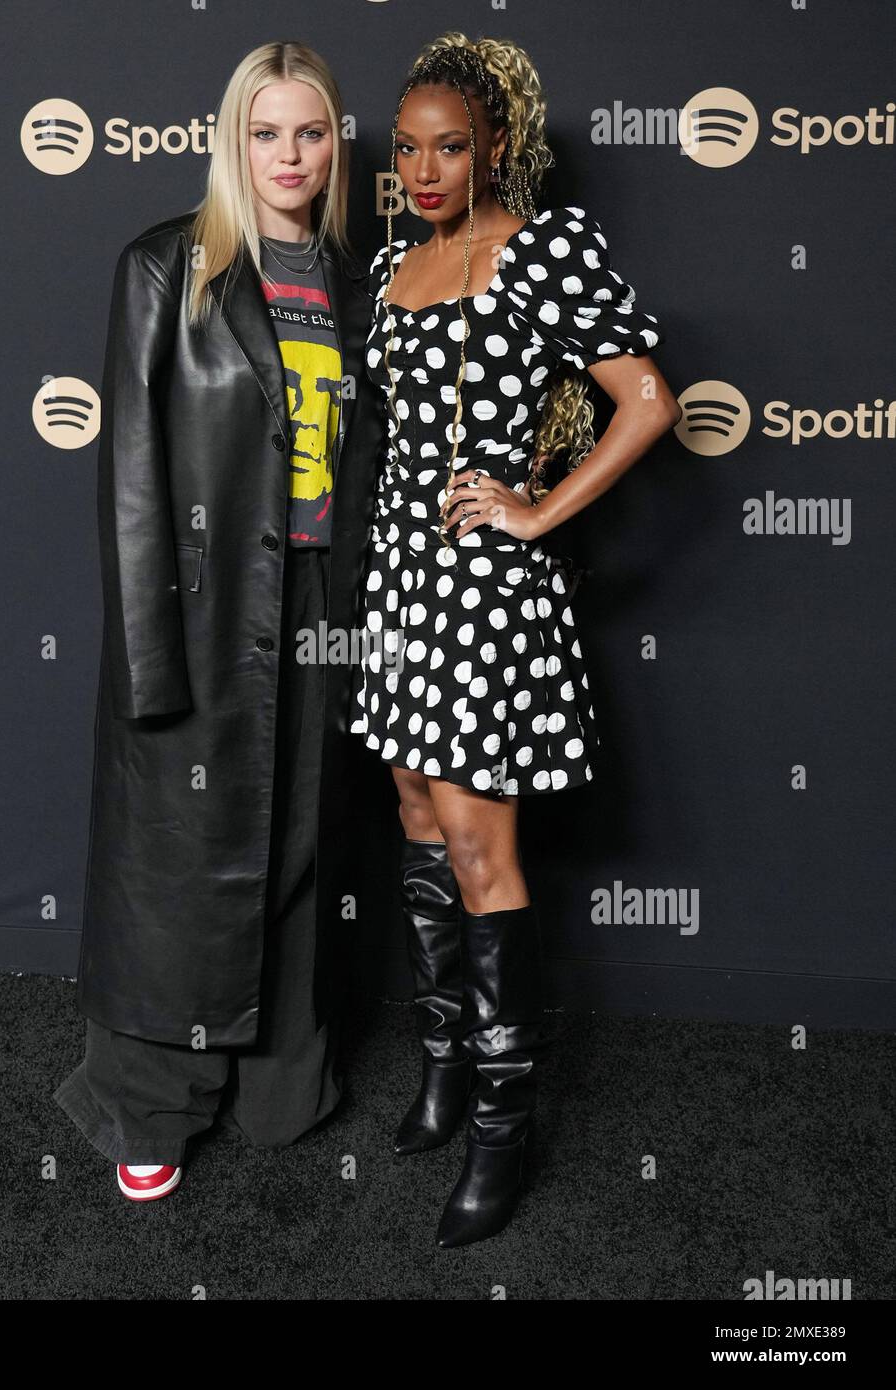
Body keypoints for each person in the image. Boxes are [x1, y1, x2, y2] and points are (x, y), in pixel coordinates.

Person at [350, 31, 682, 1246]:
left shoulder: (540, 251)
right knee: (418, 821)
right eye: (408, 150)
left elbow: (645, 400)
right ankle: (442, 1069)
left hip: (486, 595)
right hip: (396, 589)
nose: (425, 169)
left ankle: (503, 1127)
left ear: (496, 145)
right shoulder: (390, 260)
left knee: (485, 852)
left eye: (450, 146)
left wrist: (533, 508)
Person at [54, 40, 384, 1203]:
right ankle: (149, 1100)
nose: (288, 156)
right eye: (265, 133)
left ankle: (281, 1078)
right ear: (231, 140)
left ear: (332, 143)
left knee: (300, 842)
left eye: (309, 133)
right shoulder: (166, 268)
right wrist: (150, 660)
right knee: (178, 869)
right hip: (200, 616)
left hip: (321, 608)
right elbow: (131, 477)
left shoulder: (359, 281)